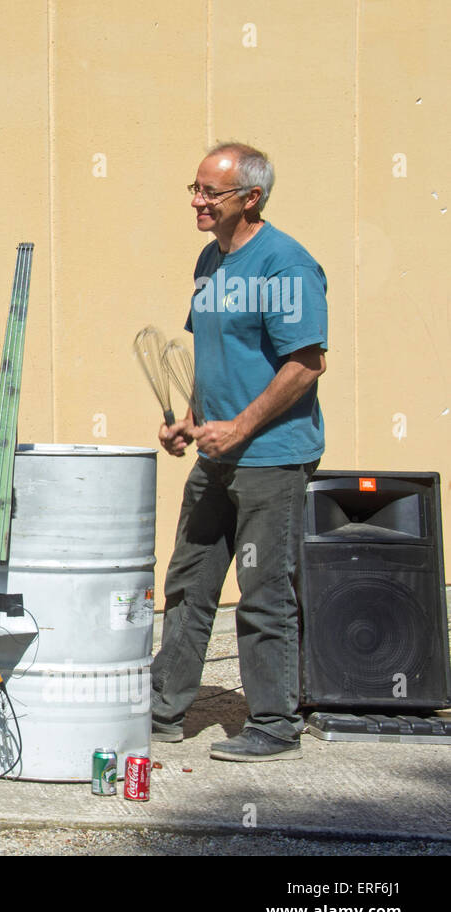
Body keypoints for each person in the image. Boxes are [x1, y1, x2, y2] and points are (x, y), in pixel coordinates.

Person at [150, 143, 328, 762]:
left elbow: (307, 363)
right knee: (189, 580)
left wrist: (241, 427)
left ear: (251, 198)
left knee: (263, 589)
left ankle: (275, 725)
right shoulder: (211, 258)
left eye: (211, 192)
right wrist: (193, 421)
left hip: (272, 457)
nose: (197, 201)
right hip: (218, 455)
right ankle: (163, 709)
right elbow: (213, 355)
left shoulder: (286, 265)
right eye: (195, 188)